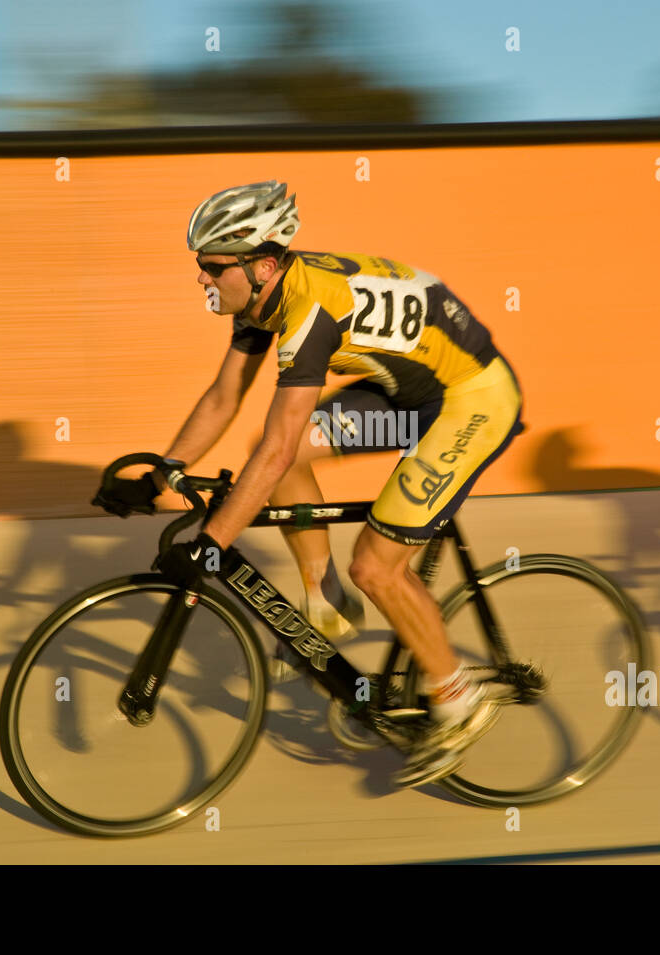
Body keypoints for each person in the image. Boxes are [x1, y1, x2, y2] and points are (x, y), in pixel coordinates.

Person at [149, 180, 525, 788]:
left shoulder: (308, 309)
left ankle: (457, 699)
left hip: (470, 396)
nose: (201, 278)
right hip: (404, 388)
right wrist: (161, 470)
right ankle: (325, 606)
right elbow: (224, 398)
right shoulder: (260, 299)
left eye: (211, 266)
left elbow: (272, 451)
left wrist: (213, 540)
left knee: (377, 566)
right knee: (287, 455)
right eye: (200, 265)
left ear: (261, 263)